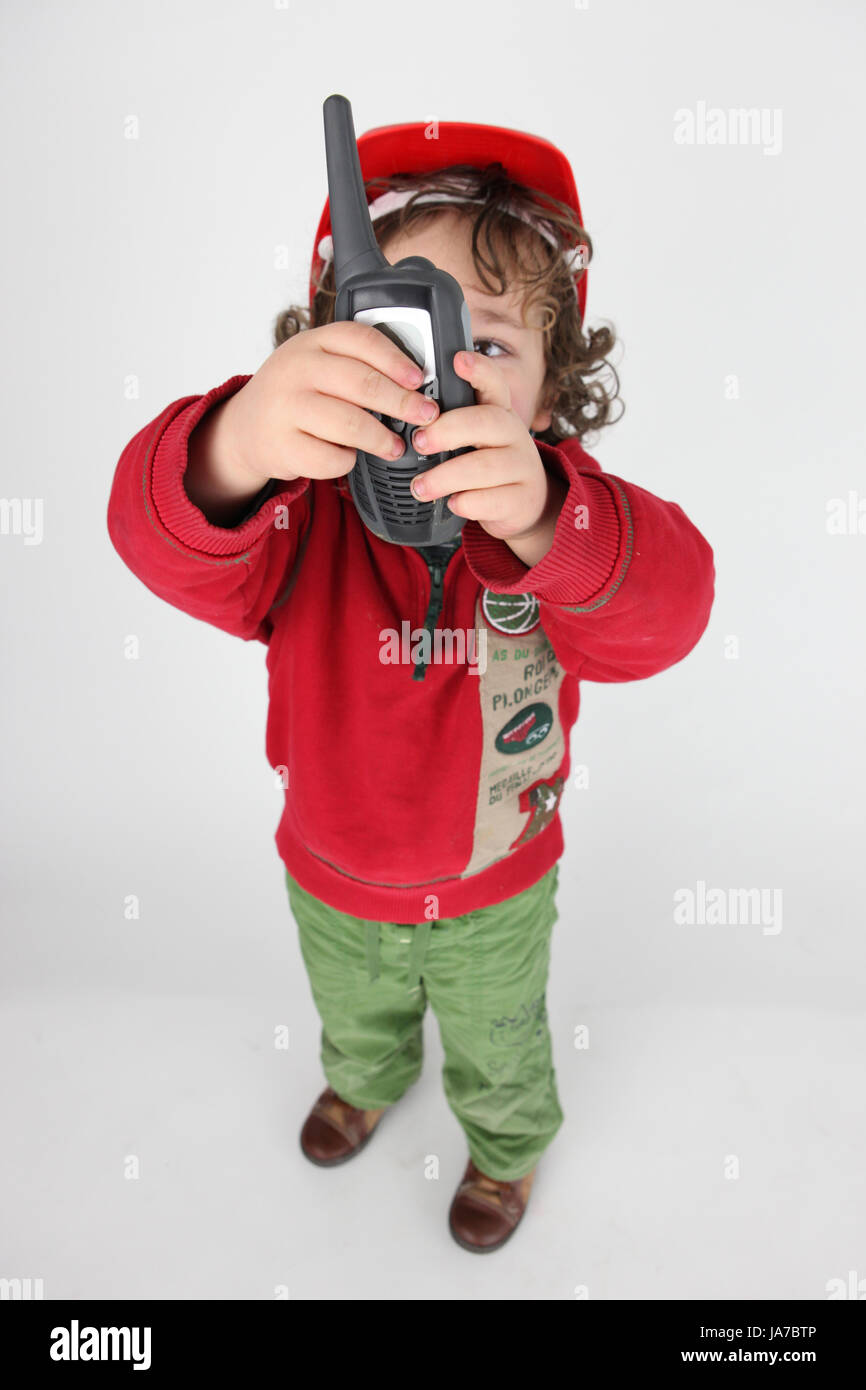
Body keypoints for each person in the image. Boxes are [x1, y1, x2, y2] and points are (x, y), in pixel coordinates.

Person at [106, 114, 715, 1255]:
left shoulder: (565, 528)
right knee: (355, 1017)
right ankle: (366, 1083)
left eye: (486, 340)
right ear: (327, 348)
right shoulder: (290, 517)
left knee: (498, 1040)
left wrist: (546, 518)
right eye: (398, 332)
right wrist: (236, 442)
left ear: (544, 398)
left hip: (495, 884)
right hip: (330, 873)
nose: (440, 372)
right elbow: (154, 539)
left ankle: (505, 1146)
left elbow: (669, 617)